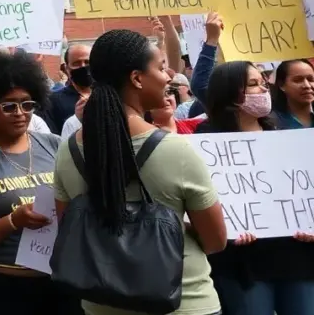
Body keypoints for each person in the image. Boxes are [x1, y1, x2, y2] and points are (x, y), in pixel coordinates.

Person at [53, 29, 226, 315]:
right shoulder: (175, 150)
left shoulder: (67, 151)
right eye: (160, 68)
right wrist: (173, 225)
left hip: (102, 303)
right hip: (182, 302)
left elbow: (69, 227)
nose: (169, 76)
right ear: (136, 78)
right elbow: (215, 241)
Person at [0, 49, 75, 315]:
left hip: (59, 282)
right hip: (1, 289)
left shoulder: (55, 146)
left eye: (27, 104)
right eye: (9, 106)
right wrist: (13, 221)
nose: (20, 113)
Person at [195, 61, 314, 314]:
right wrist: (227, 229)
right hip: (242, 265)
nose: (263, 89)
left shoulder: (283, 134)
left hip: (296, 256)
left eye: (262, 82)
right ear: (231, 93)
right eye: (253, 84)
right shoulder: (206, 141)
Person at [44, 43, 91, 133]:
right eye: (76, 63)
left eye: (87, 62)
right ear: (67, 68)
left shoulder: (109, 94)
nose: (83, 67)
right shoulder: (52, 101)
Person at [271, 59, 314, 129]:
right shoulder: (270, 123)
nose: (307, 86)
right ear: (281, 85)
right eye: (298, 80)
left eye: (311, 79)